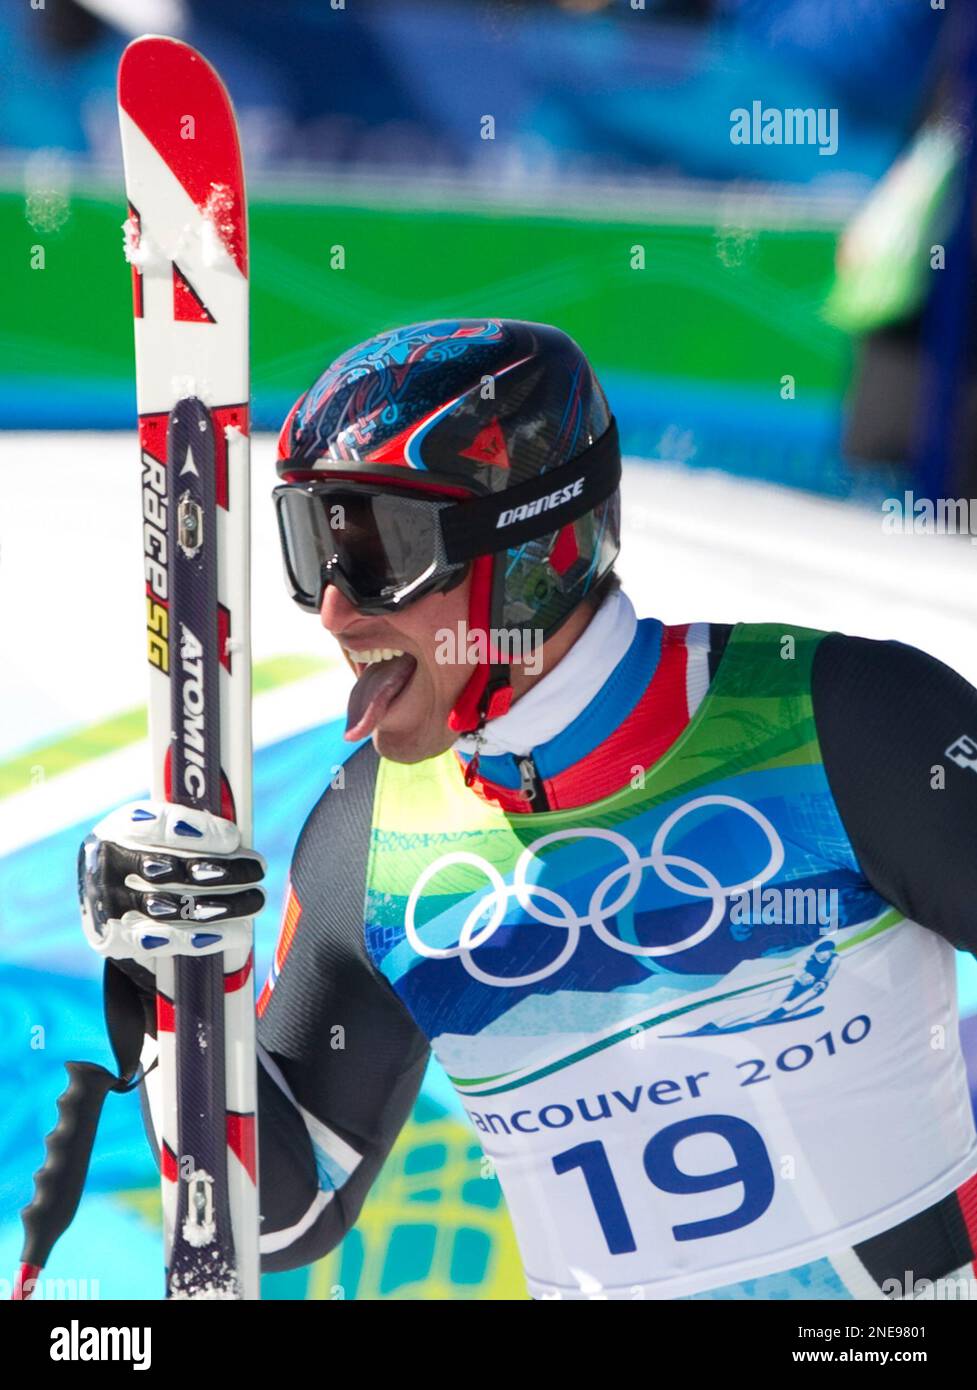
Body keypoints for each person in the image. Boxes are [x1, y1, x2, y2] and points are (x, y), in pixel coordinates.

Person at [81, 318, 977, 1300]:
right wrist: (169, 984)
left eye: (378, 551)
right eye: (314, 547)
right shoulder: (368, 836)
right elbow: (277, 1216)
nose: (334, 610)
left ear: (533, 547)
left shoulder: (838, 720)